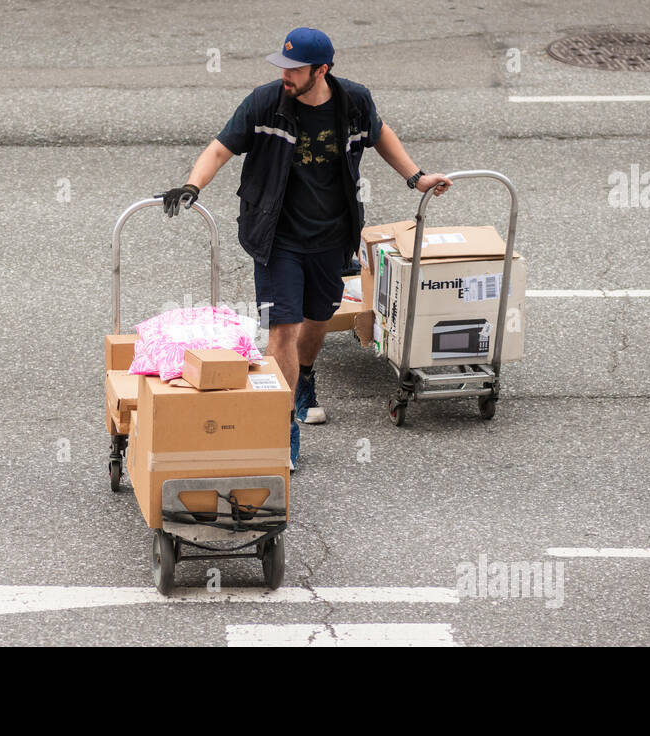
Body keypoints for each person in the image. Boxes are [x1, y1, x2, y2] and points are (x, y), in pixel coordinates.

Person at [162, 27, 452, 468]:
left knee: (317, 319)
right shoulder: (265, 102)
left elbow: (381, 134)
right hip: (276, 235)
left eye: (294, 69)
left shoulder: (354, 101)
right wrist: (191, 185)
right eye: (283, 66)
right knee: (283, 328)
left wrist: (417, 177)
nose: (285, 75)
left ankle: (305, 379)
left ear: (322, 70)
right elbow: (220, 149)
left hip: (332, 236)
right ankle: (282, 428)